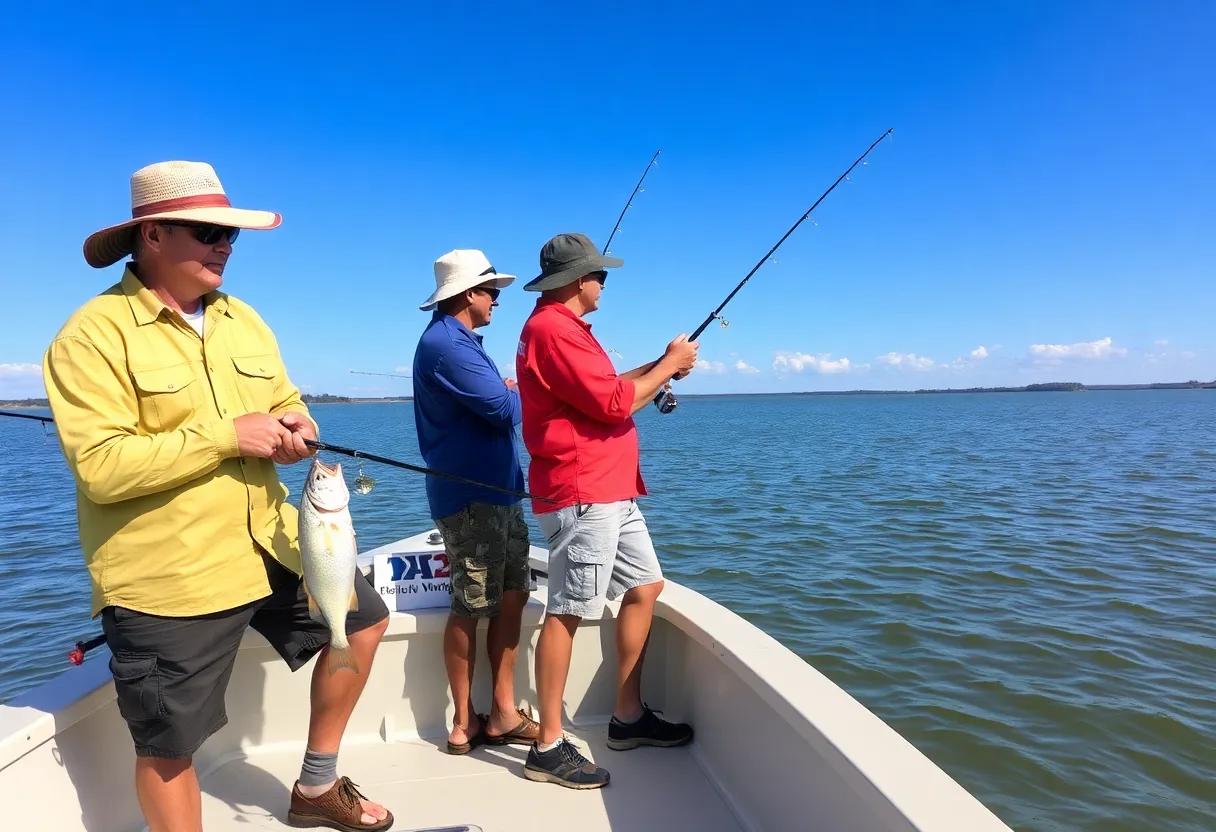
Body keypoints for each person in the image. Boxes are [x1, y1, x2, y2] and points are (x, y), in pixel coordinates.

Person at [42, 161, 393, 832]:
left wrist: (301, 429)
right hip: (168, 578)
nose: (225, 247)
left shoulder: (244, 321)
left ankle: (316, 787)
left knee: (366, 621)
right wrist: (225, 436)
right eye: (208, 232)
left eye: (231, 236)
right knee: (169, 746)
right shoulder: (89, 337)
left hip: (272, 545)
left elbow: (286, 402)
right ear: (151, 235)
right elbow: (102, 468)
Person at [514, 232, 700, 789]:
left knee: (645, 586)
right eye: (599, 275)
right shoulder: (550, 329)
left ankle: (628, 716)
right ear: (575, 280)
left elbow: (608, 389)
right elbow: (615, 402)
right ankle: (547, 746)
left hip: (613, 489)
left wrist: (660, 366)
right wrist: (668, 364)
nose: (604, 283)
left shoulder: (568, 331)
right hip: (581, 491)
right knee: (568, 609)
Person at [412, 249, 541, 755]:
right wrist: (514, 389)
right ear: (468, 294)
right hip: (471, 499)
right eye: (493, 292)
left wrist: (508, 391)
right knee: (470, 605)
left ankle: (503, 713)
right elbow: (502, 408)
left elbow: (501, 402)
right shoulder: (447, 344)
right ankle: (464, 723)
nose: (496, 301)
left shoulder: (460, 342)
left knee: (513, 594)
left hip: (499, 493)